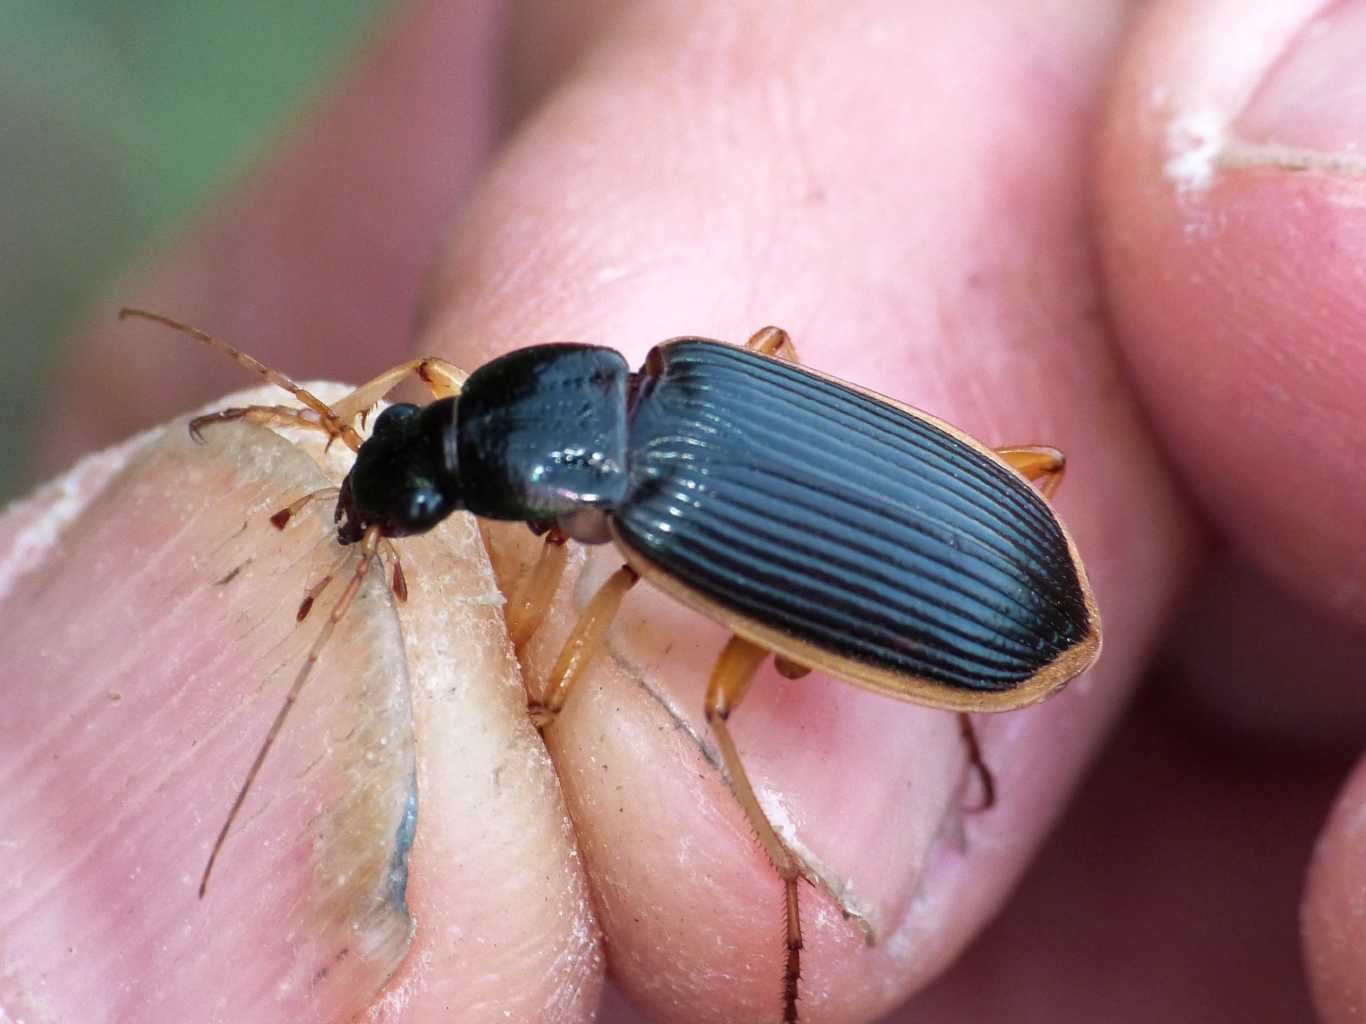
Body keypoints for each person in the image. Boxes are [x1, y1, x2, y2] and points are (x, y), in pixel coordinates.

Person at [3, 3, 1363, 1021]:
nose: (420, 422)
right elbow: (445, 393)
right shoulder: (694, 377)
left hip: (988, 607)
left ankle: (784, 887)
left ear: (541, 503)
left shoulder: (642, 529)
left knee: (708, 711)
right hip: (991, 530)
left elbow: (545, 654)